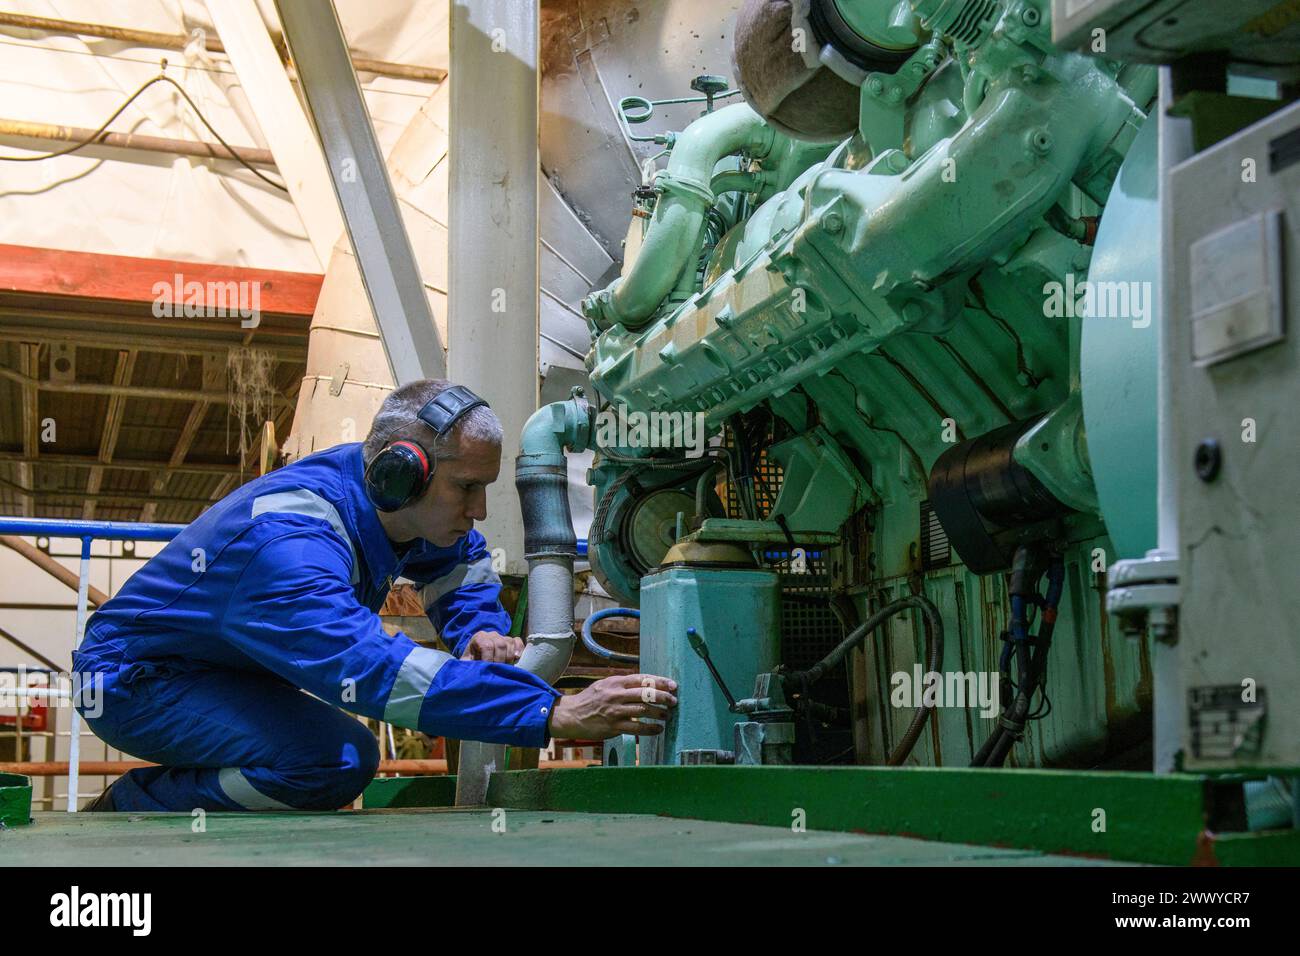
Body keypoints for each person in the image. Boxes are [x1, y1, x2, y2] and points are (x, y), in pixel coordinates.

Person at [73, 379, 675, 811]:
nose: (480, 511)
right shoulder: (287, 545)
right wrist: (552, 713)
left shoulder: (381, 497)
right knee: (334, 761)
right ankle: (135, 803)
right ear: (401, 472)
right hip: (135, 682)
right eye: (466, 487)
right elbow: (367, 668)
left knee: (330, 752)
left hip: (226, 671)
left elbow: (459, 566)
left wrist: (478, 633)